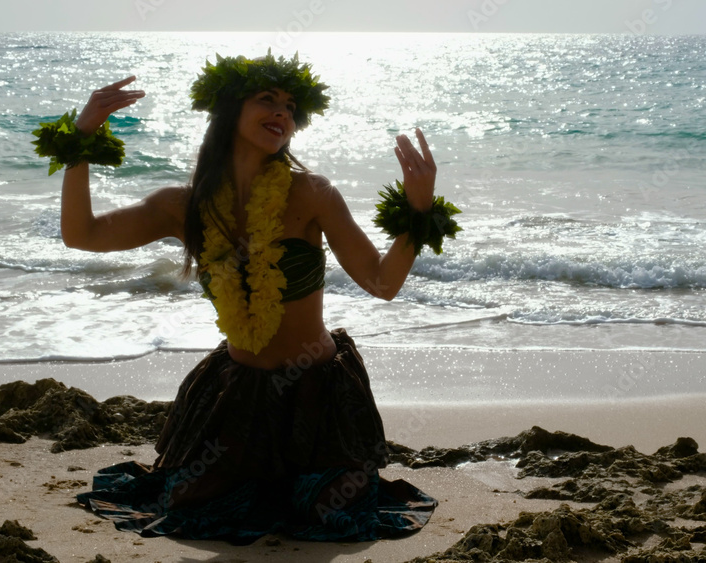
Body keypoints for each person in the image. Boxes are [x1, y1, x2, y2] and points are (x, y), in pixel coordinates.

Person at [33, 52, 457, 544]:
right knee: (196, 506)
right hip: (236, 397)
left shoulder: (314, 193)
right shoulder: (183, 206)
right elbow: (81, 234)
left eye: (291, 107)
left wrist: (419, 208)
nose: (283, 113)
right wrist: (81, 139)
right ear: (229, 109)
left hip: (317, 399)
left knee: (330, 513)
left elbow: (383, 284)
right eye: (267, 100)